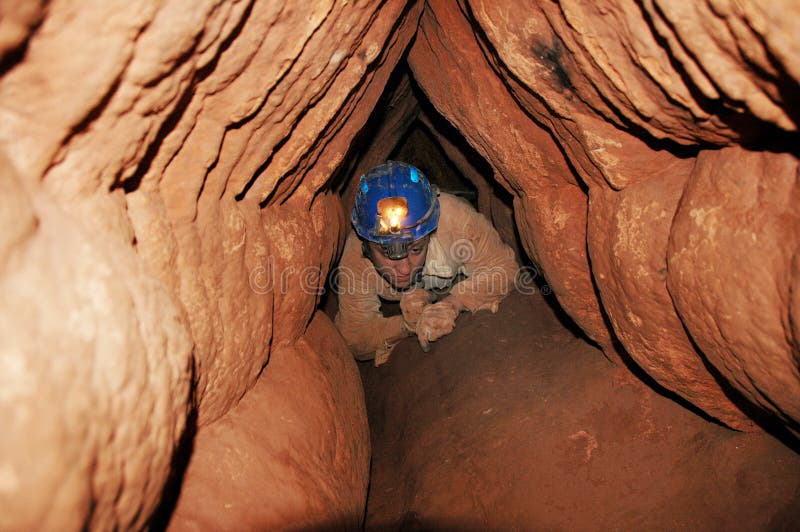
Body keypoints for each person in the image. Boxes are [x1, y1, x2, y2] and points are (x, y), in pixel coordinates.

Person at [334, 161, 519, 365]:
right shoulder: (356, 255)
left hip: (459, 270)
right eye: (387, 254)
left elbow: (505, 267)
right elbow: (354, 338)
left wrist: (453, 303)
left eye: (416, 249)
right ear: (367, 246)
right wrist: (407, 324)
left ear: (430, 233)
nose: (404, 268)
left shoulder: (455, 221)